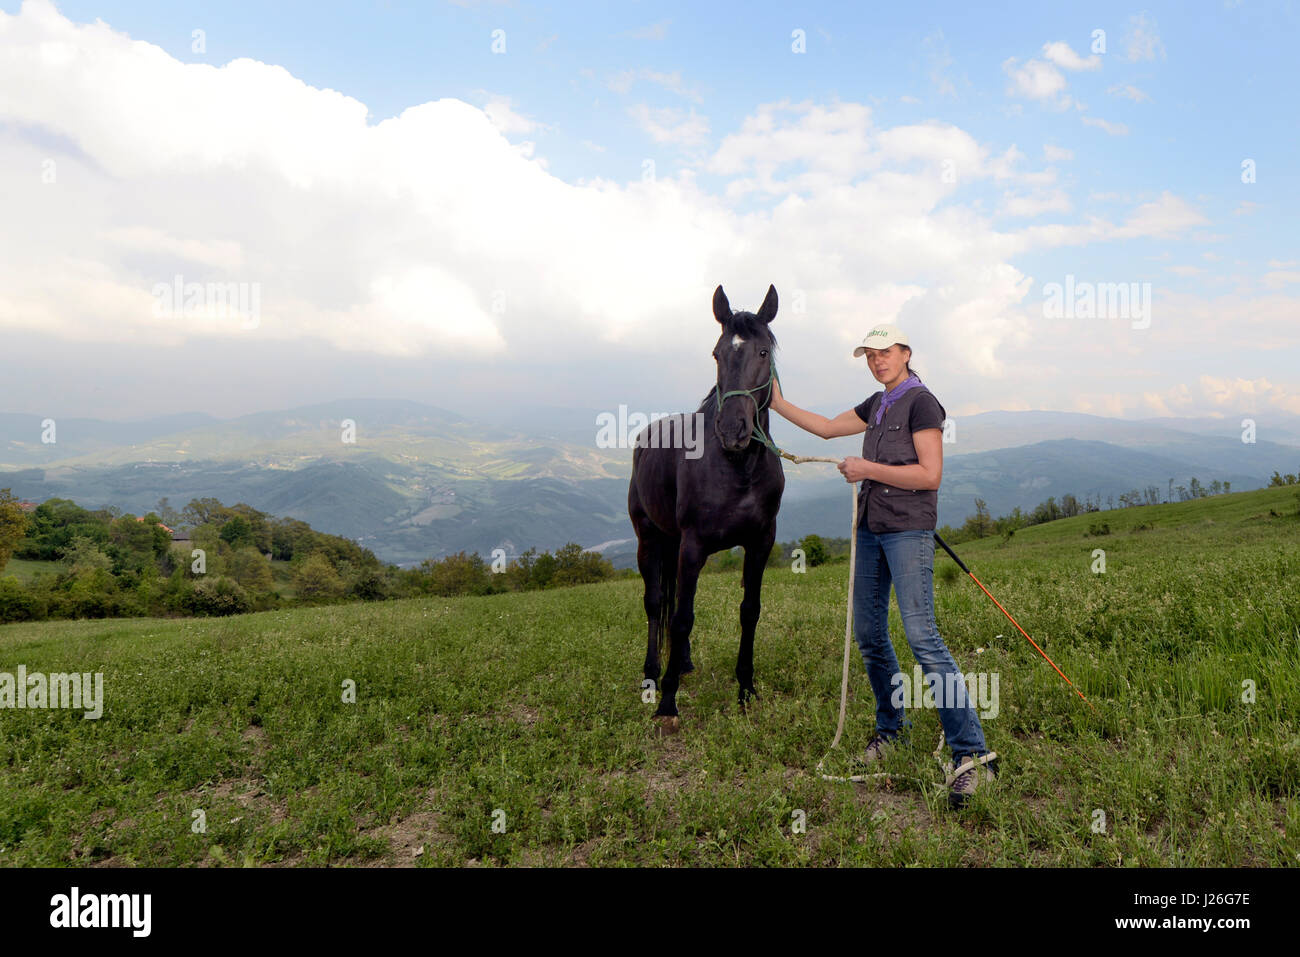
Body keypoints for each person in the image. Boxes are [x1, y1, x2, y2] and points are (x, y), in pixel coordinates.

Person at [770, 324, 996, 807]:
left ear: (906, 353)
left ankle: (972, 754)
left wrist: (866, 469)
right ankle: (891, 731)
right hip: (870, 529)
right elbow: (829, 427)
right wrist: (775, 401)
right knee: (870, 634)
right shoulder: (878, 403)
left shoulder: (922, 403)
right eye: (869, 355)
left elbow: (930, 474)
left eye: (884, 352)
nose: (877, 361)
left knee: (921, 636)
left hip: (909, 530)